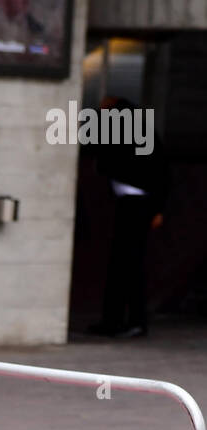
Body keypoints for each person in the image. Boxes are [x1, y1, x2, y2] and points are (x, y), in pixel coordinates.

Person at [87, 95, 170, 338]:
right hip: (133, 203)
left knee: (128, 265)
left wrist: (158, 209)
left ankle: (131, 321)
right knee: (122, 264)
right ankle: (115, 320)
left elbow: (161, 173)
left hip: (138, 204)